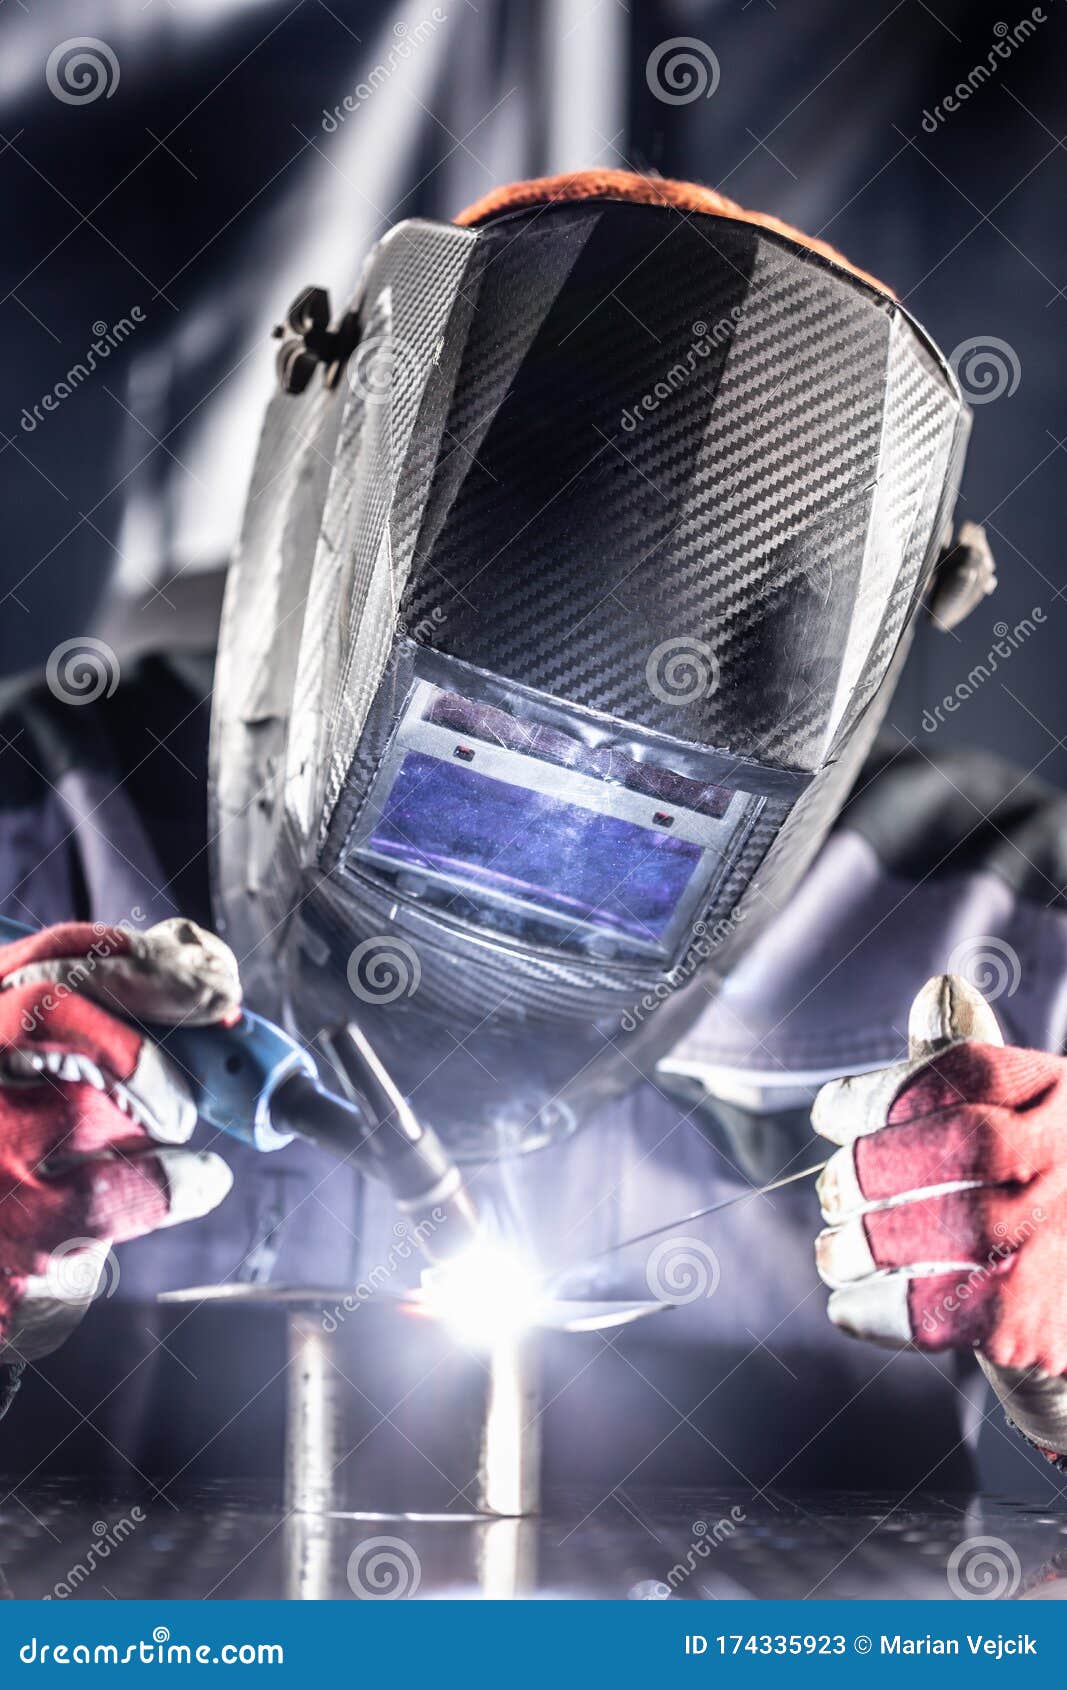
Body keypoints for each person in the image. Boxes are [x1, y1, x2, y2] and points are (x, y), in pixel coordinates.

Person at [1, 172, 1064, 1498]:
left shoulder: (1014, 926)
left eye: (646, 820)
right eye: (472, 764)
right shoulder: (36, 819)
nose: (531, 882)